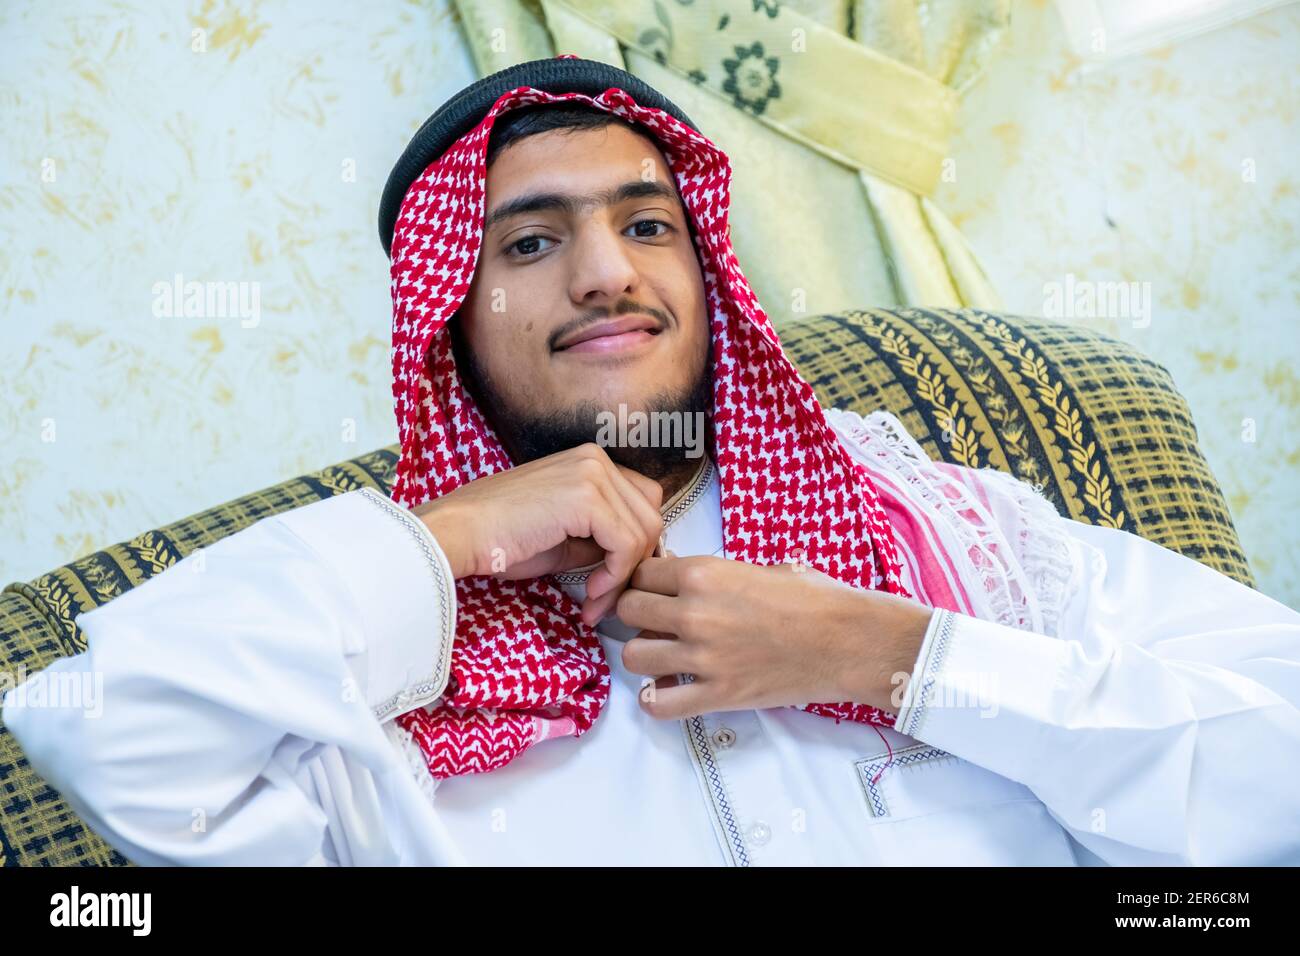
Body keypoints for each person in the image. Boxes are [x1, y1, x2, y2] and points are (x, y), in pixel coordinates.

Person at [5, 57, 1299, 867]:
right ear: (445, 324)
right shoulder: (376, 674)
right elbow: (108, 732)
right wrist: (451, 542)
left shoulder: (940, 535)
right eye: (526, 245)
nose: (607, 271)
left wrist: (894, 659)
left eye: (644, 224)